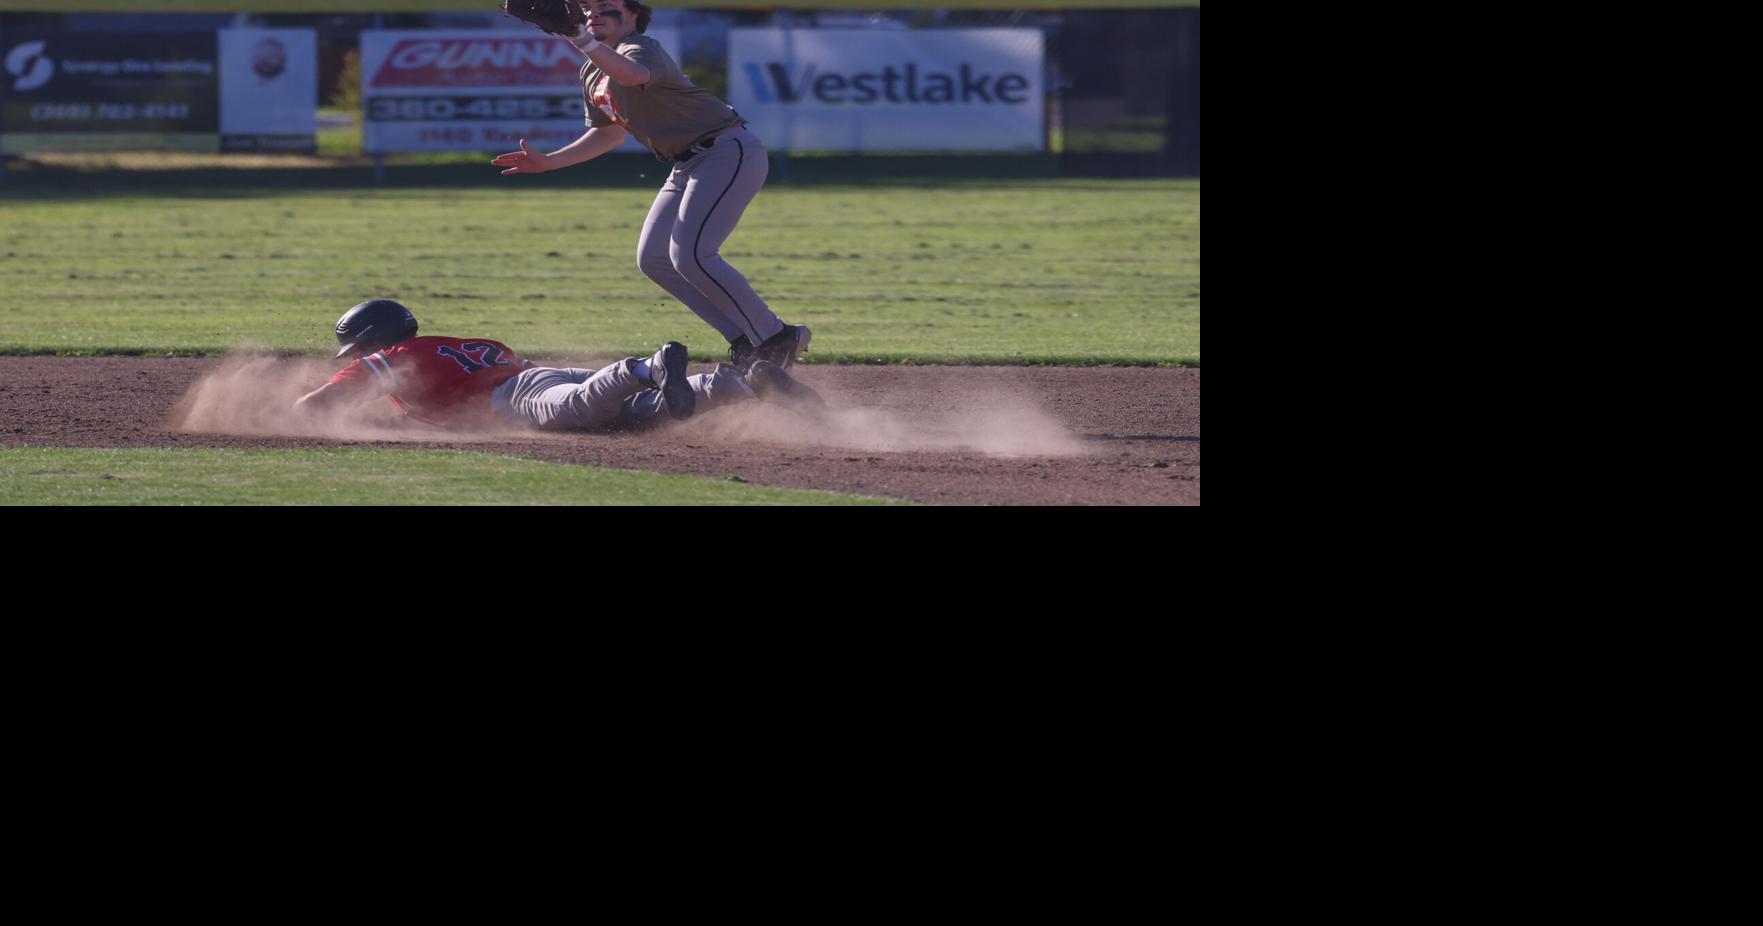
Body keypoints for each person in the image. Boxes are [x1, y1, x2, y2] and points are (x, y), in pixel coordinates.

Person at [492, 0, 812, 375]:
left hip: (726, 150)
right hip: (686, 164)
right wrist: (550, 161)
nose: (593, 13)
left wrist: (579, 38)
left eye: (606, 5)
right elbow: (608, 134)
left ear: (633, 13)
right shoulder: (592, 70)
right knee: (654, 259)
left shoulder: (640, 47)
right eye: (586, 6)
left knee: (692, 255)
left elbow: (632, 75)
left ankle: (776, 337)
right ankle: (744, 338)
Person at [294, 299, 809, 432]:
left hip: (515, 396)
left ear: (373, 341)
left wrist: (277, 416)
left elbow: (319, 403)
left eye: (357, 348)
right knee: (637, 417)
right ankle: (742, 384)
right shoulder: (467, 343)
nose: (357, 357)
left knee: (577, 411)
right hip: (536, 376)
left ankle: (646, 366)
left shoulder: (389, 359)